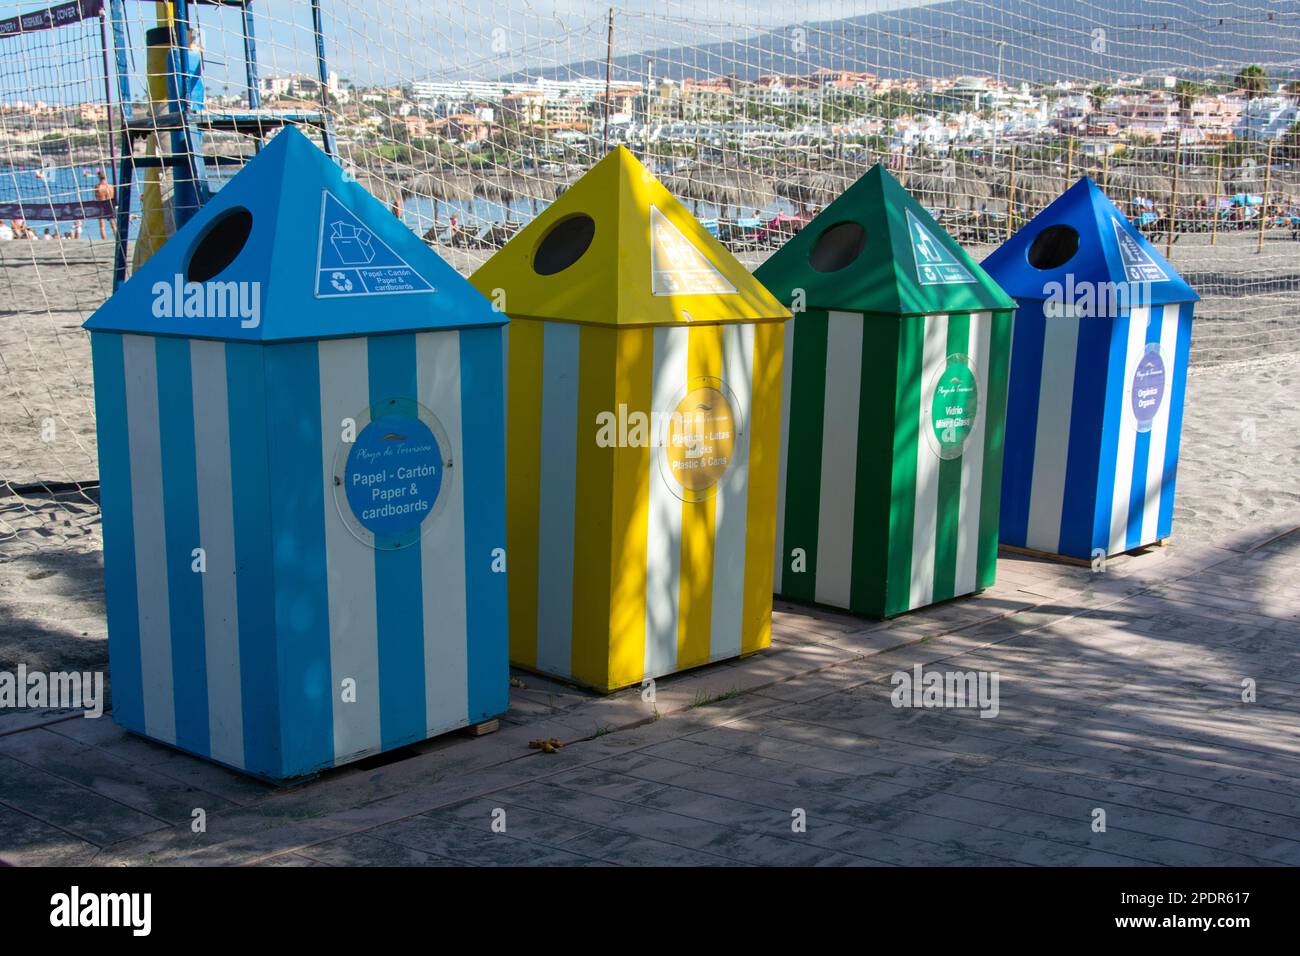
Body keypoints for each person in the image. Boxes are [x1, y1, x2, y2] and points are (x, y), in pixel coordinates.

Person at [94, 172, 116, 240]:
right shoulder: (111, 186)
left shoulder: (98, 187)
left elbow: (96, 197)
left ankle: (104, 240)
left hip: (101, 205)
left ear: (99, 177)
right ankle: (117, 238)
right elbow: (114, 196)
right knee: (113, 223)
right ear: (105, 177)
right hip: (110, 204)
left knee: (102, 225)